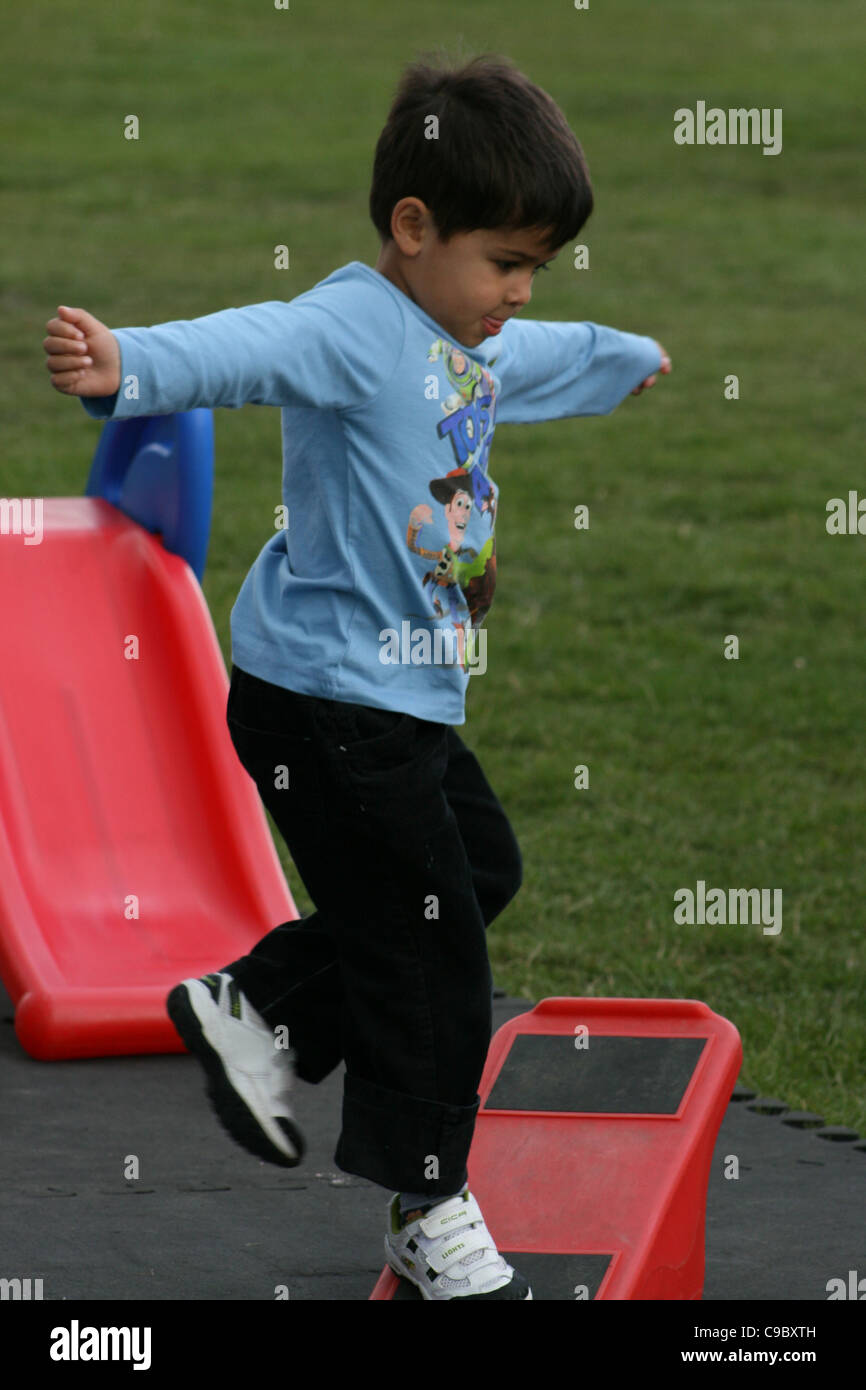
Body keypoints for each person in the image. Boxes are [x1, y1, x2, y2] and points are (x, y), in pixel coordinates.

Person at [44, 50, 670, 1301]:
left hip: (398, 698)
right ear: (411, 227)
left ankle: (256, 1007)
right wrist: (134, 365)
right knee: (434, 956)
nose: (516, 290)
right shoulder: (351, 324)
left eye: (534, 266)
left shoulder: (464, 337)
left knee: (476, 871)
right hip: (325, 701)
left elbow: (532, 362)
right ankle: (427, 1202)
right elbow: (254, 345)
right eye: (505, 261)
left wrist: (621, 355)